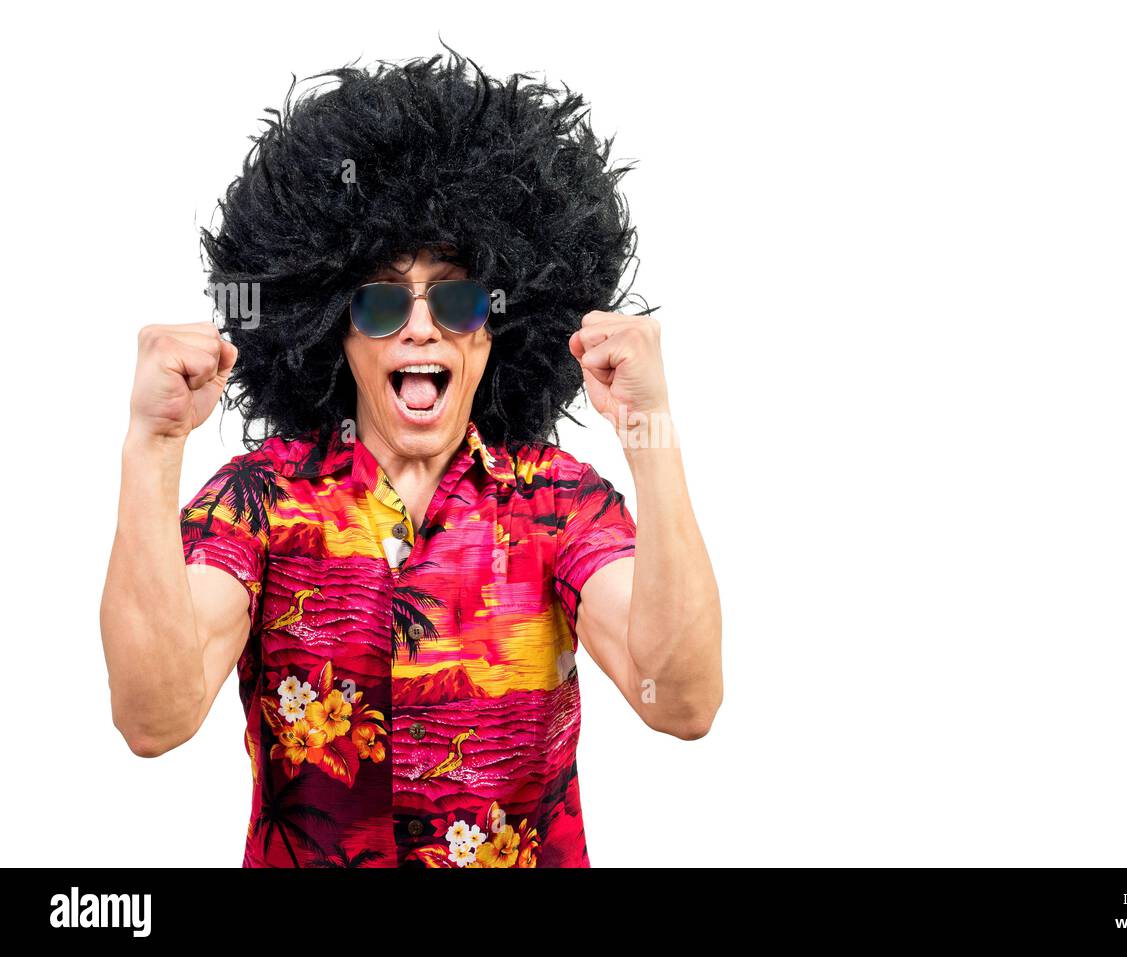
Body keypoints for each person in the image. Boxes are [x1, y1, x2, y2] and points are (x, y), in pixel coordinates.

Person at [99, 51, 722, 868]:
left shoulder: (560, 503)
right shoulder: (261, 500)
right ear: (338, 328)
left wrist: (651, 430)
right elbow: (155, 717)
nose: (421, 327)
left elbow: (682, 700)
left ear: (496, 327)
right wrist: (153, 446)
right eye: (385, 299)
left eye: (457, 298)